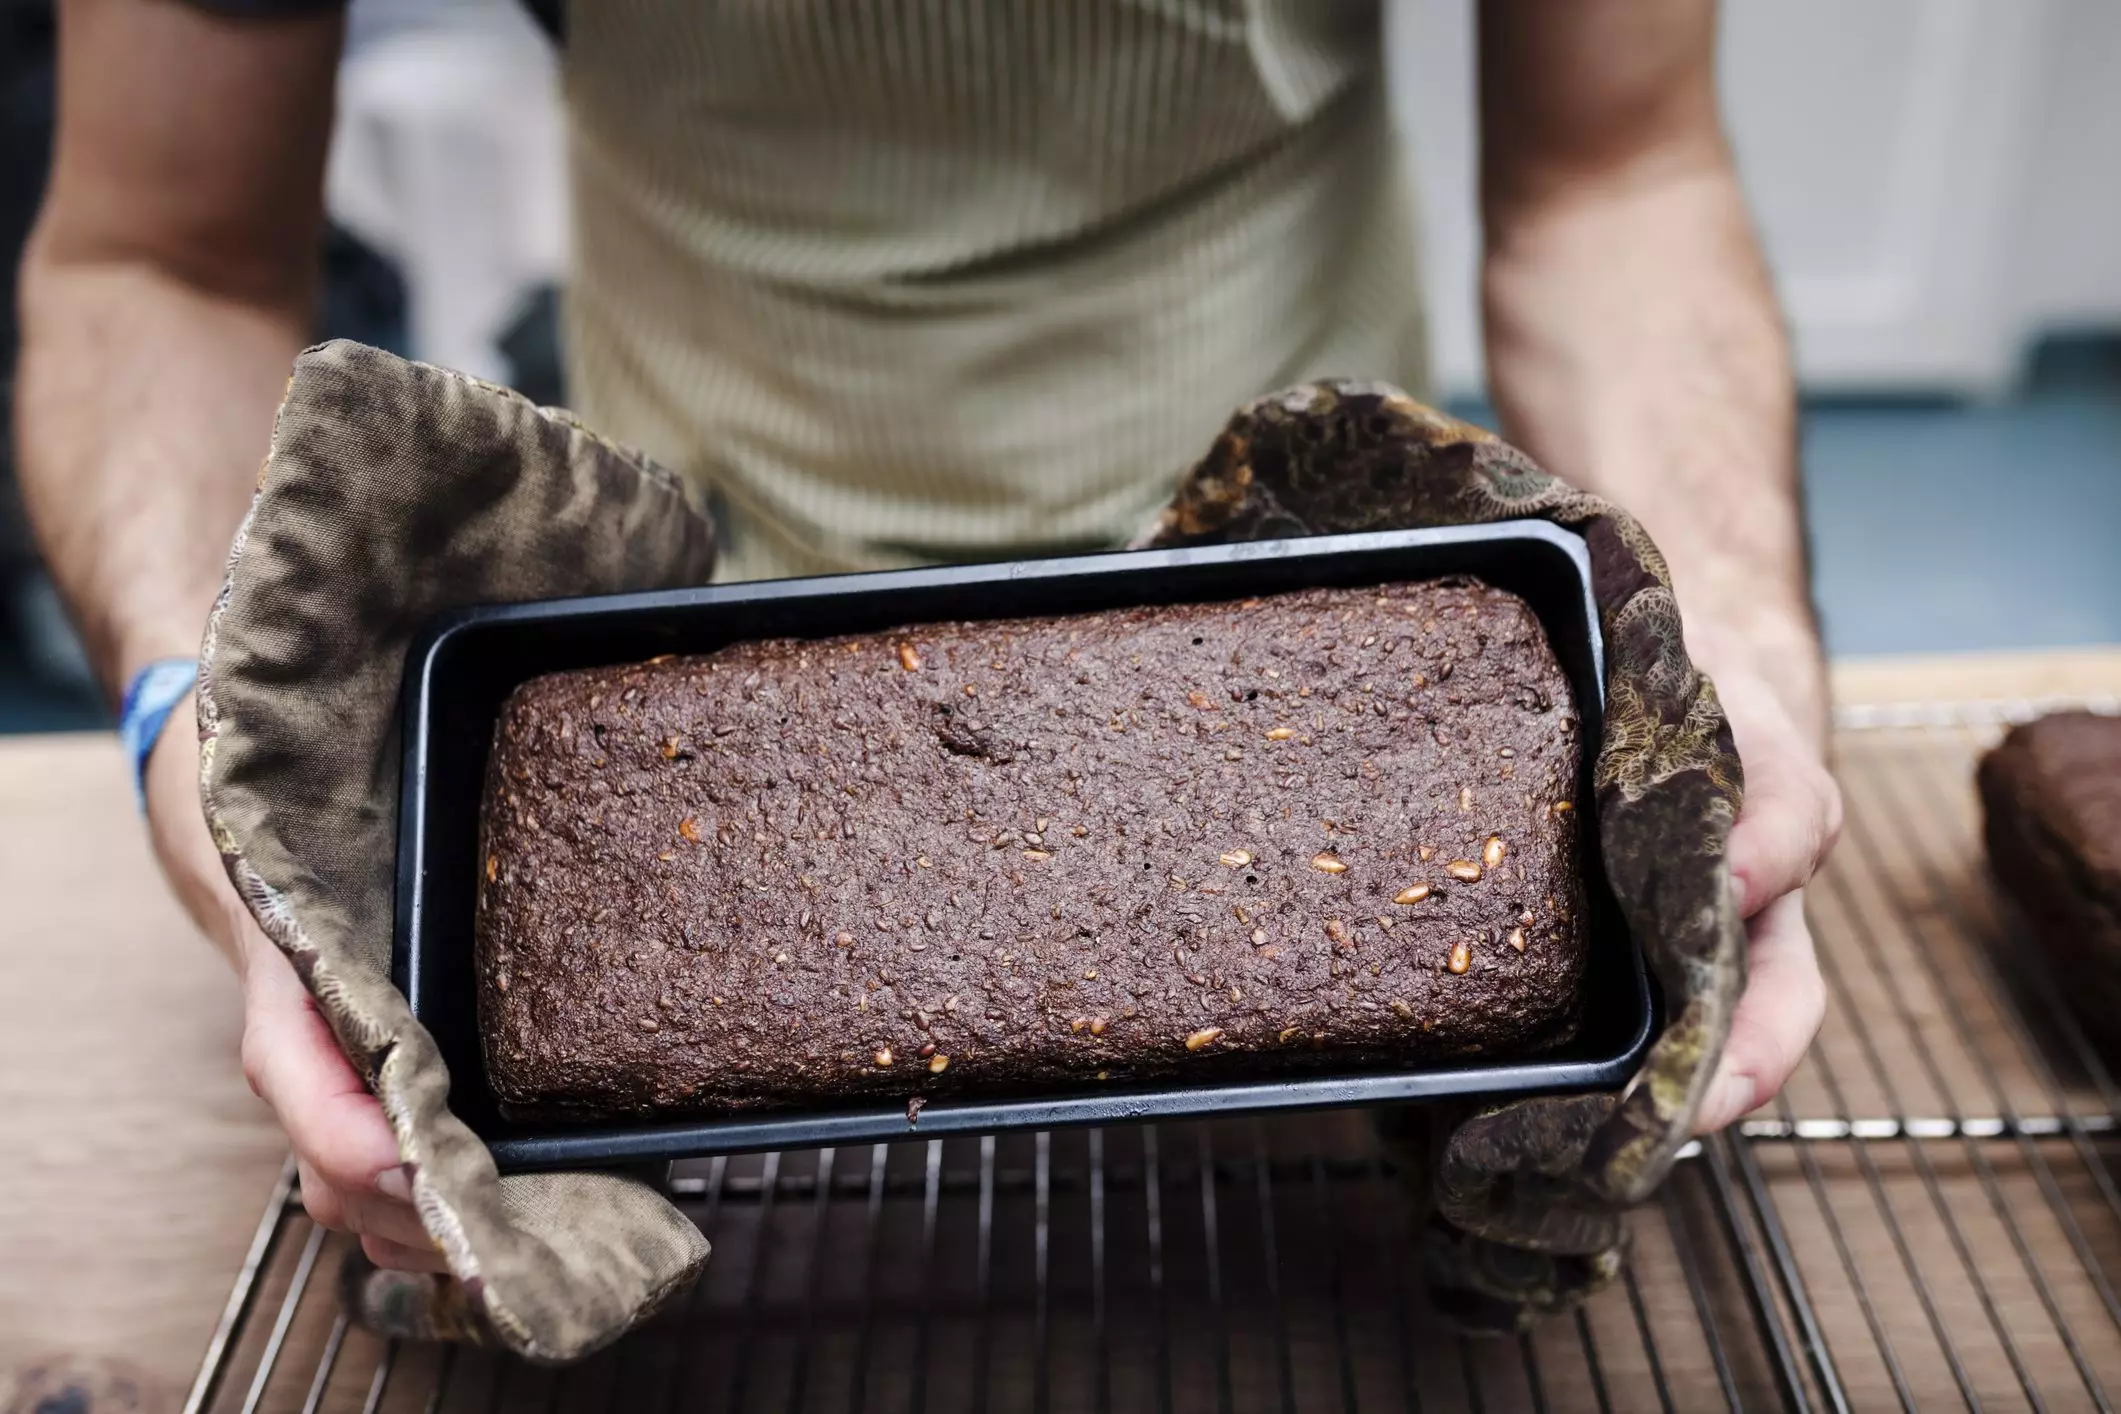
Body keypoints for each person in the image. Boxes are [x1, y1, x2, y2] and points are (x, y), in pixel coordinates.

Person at [15, 0, 1840, 1278]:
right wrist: (218, 751)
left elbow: (1618, 175)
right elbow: (153, 263)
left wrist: (1729, 660)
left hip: (1347, 613)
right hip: (689, 627)